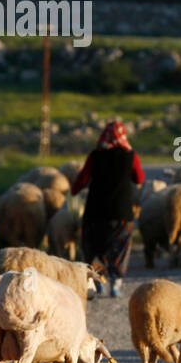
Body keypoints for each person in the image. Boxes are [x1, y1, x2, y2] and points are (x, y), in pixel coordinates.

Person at [72, 119, 145, 297]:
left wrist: (74, 191)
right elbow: (140, 179)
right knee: (119, 247)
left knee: (96, 246)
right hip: (121, 213)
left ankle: (99, 282)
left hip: (96, 212)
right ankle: (116, 284)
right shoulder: (131, 156)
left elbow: (81, 181)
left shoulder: (95, 155)